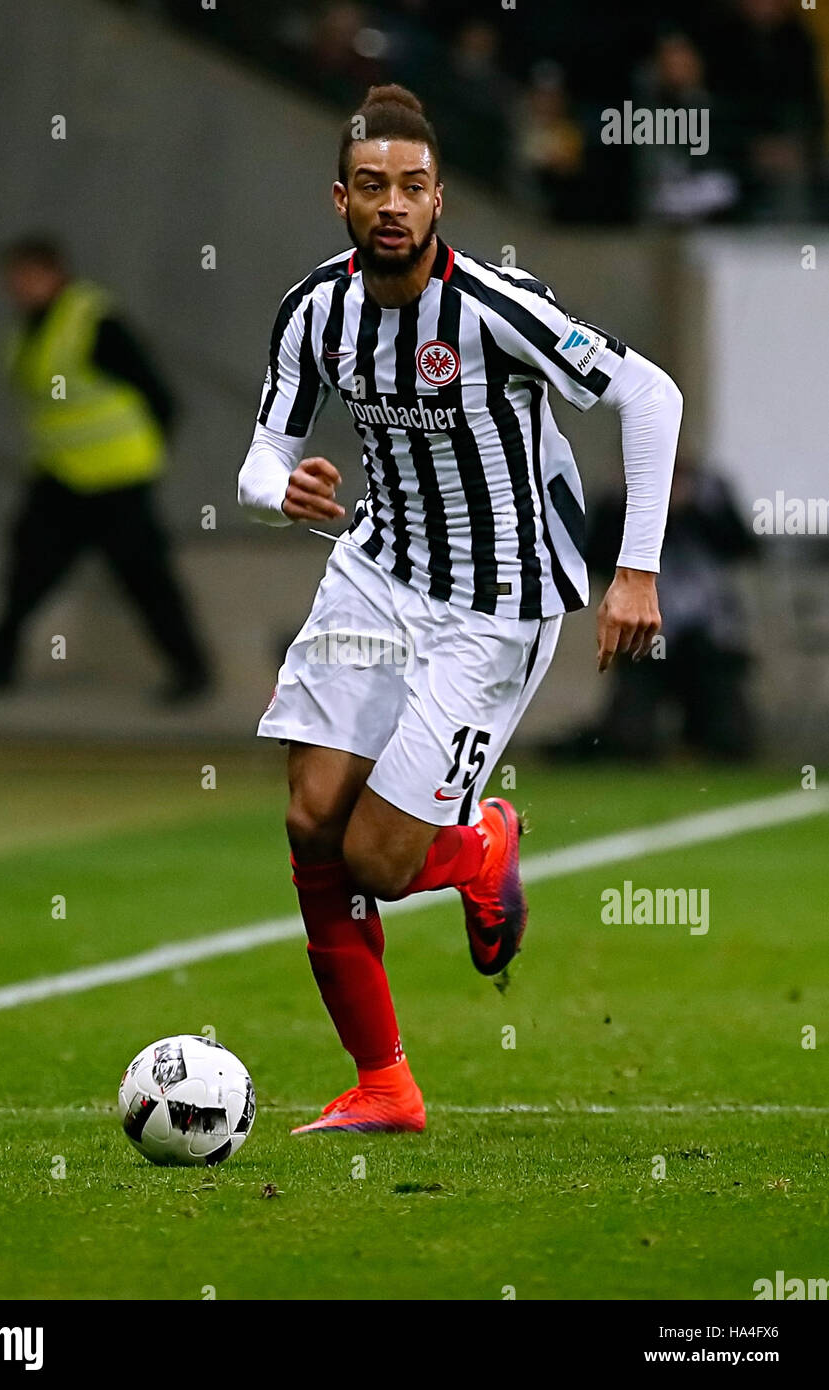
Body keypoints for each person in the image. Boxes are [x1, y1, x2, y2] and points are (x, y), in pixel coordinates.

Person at [237, 84, 683, 1135]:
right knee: (309, 818)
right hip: (376, 572)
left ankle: (478, 843)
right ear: (339, 197)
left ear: (439, 200)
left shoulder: (494, 306)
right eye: (371, 187)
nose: (392, 204)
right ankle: (384, 1083)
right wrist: (278, 490)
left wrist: (638, 569)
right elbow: (263, 451)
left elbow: (646, 393)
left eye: (413, 186)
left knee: (380, 861)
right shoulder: (316, 310)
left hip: (495, 602)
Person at [0, 236, 210, 704]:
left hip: (117, 481)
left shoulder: (92, 320)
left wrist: (145, 456)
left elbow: (159, 395)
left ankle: (192, 672)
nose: (18, 287)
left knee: (144, 578)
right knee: (27, 571)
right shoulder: (29, 327)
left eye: (28, 276)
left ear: (54, 273)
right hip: (62, 477)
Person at [547, 458, 758, 761]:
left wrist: (693, 508)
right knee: (628, 738)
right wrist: (639, 509)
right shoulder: (620, 495)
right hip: (644, 635)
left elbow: (741, 545)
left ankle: (695, 743)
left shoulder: (710, 491)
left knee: (729, 738)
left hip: (707, 636)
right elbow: (594, 554)